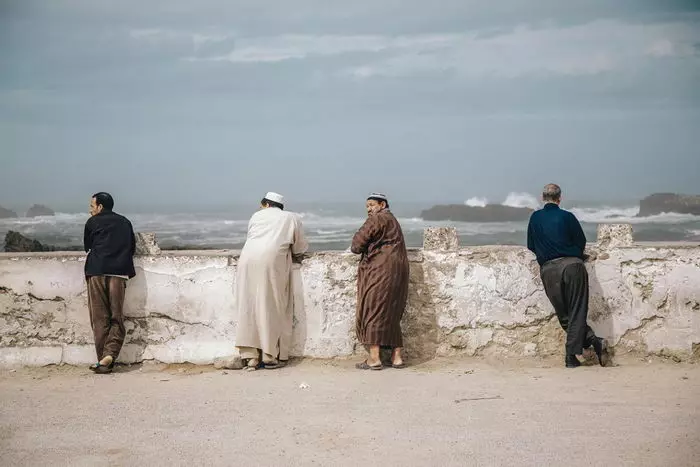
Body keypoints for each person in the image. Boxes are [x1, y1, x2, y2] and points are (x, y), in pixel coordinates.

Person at [527, 183, 610, 368]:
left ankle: (571, 357)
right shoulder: (568, 217)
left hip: (548, 269)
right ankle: (594, 342)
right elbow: (581, 241)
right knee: (576, 311)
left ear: (542, 198)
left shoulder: (534, 218)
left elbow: (531, 245)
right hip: (572, 265)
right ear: (559, 198)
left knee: (564, 315)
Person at [234, 192, 308, 370]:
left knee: (248, 306)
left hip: (246, 260)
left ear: (265, 204)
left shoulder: (256, 216)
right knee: (272, 306)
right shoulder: (291, 218)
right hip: (271, 262)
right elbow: (300, 247)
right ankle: (269, 355)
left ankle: (250, 356)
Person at [351, 193, 409, 370]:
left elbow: (356, 246)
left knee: (373, 309)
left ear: (382, 204)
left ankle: (374, 358)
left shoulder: (376, 220)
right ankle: (396, 357)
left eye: (371, 205)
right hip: (399, 270)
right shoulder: (393, 221)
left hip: (379, 270)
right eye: (367, 206)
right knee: (392, 312)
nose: (369, 209)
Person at [83, 192, 136, 374]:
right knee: (116, 317)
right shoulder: (125, 222)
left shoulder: (92, 222)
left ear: (99, 207)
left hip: (97, 271)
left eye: (92, 206)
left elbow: (88, 246)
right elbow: (132, 247)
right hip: (119, 273)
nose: (91, 210)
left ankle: (102, 360)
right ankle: (110, 355)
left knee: (99, 318)